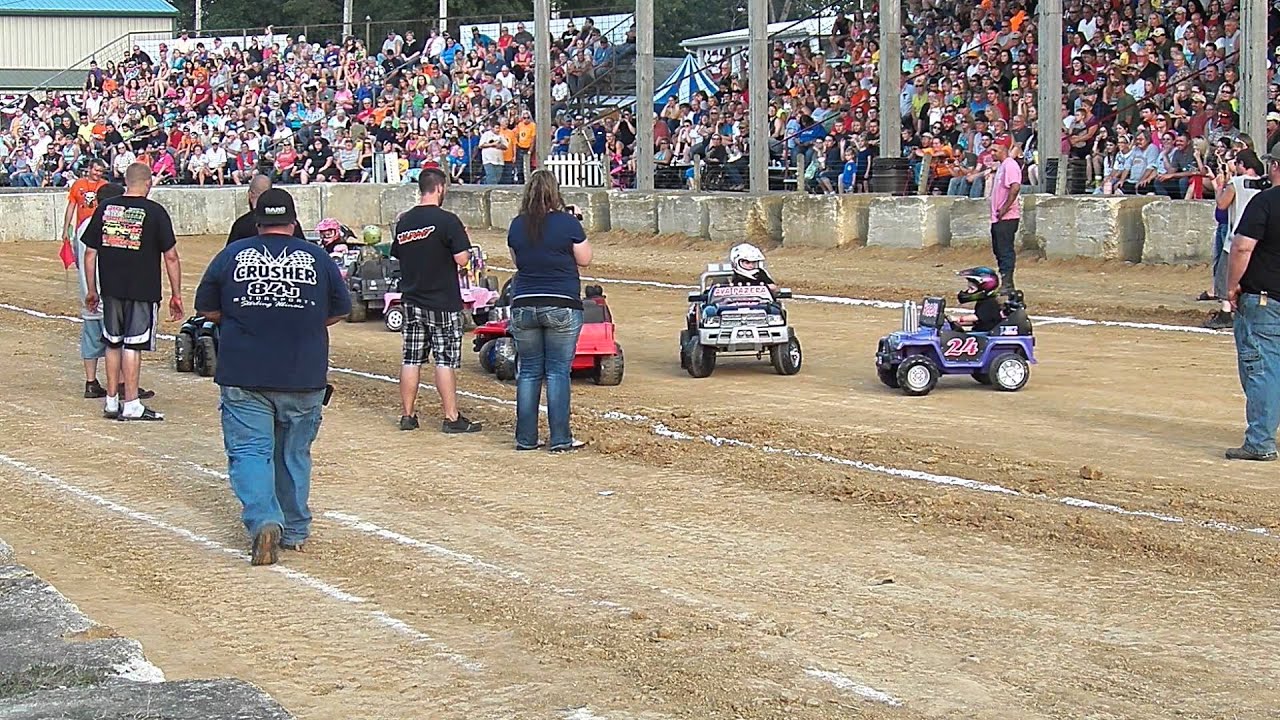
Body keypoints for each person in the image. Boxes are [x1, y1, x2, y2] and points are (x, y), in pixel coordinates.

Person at [194, 188, 351, 564]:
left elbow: (207, 309)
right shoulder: (318, 257)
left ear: (258, 223)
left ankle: (265, 519)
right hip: (303, 372)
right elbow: (340, 309)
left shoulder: (231, 255)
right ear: (293, 223)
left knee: (250, 451)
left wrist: (245, 317)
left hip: (244, 371)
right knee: (293, 453)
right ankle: (294, 530)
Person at [81, 163, 182, 422]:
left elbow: (90, 253)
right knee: (132, 345)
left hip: (111, 288)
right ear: (148, 183)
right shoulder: (155, 212)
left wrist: (92, 289)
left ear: (126, 181)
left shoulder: (105, 208)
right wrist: (176, 294)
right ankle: (132, 402)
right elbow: (171, 256)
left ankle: (111, 400)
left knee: (112, 342)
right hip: (142, 288)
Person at [391, 167, 482, 433]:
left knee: (411, 359)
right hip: (441, 299)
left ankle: (408, 415)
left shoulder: (405, 221)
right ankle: (451, 417)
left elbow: (398, 254)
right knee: (444, 360)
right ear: (440, 188)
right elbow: (462, 259)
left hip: (412, 297)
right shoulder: (448, 220)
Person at [506, 169, 592, 452]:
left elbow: (518, 262)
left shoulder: (518, 225)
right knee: (557, 372)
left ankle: (526, 438)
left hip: (524, 301)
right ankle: (560, 438)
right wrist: (575, 222)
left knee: (529, 371)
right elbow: (585, 259)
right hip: (561, 301)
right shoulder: (567, 223)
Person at [1222, 154, 1280, 461]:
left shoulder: (1265, 201)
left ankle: (1260, 441)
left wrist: (1231, 286)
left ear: (1275, 166)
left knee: (1262, 371)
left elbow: (1242, 247)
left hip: (1265, 297)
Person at [1207, 150, 1267, 330]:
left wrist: (1219, 187)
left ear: (1242, 164)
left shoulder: (1237, 183)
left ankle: (1226, 312)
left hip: (1237, 236)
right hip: (1259, 237)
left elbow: (1222, 204)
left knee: (1226, 274)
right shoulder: (1264, 183)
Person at [226, 173, 305, 245]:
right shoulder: (289, 220)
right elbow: (303, 247)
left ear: (250, 194)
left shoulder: (241, 224)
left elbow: (230, 251)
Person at [988, 136, 1022, 292]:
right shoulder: (1003, 166)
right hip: (999, 216)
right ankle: (1005, 280)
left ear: (1004, 149)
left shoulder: (1010, 165)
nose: (992, 153)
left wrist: (1005, 208)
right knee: (999, 249)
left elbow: (1015, 187)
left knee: (1005, 250)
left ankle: (1007, 283)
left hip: (1007, 216)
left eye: (995, 150)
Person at [952, 266, 1004, 332]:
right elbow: (979, 321)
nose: (968, 291)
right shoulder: (983, 301)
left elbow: (977, 317)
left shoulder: (989, 303)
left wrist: (959, 319)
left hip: (985, 334)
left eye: (971, 289)